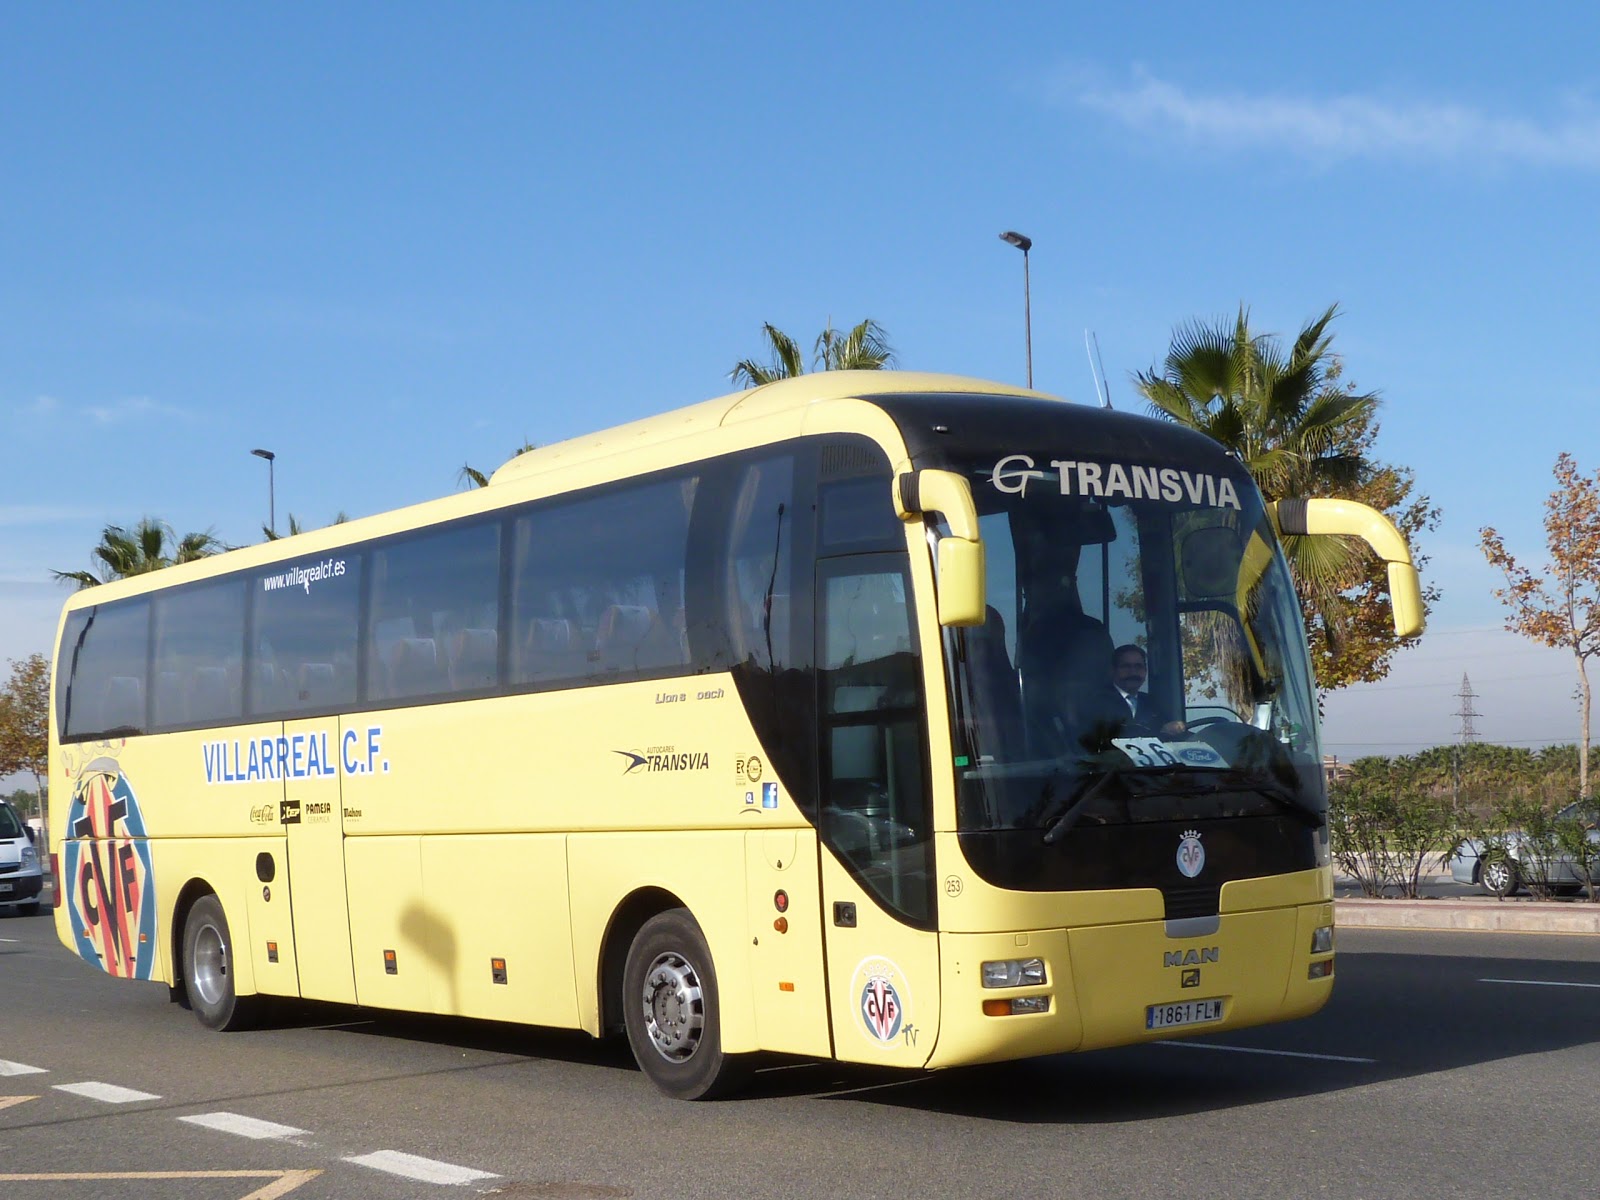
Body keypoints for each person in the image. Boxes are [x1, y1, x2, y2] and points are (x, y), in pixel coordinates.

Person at [1107, 644, 1186, 737]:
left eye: (1138, 666)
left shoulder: (1152, 703)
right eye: (1126, 666)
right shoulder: (1097, 703)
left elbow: (1167, 730)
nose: (1133, 672)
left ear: (1145, 671)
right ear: (1113, 670)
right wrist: (1160, 733)